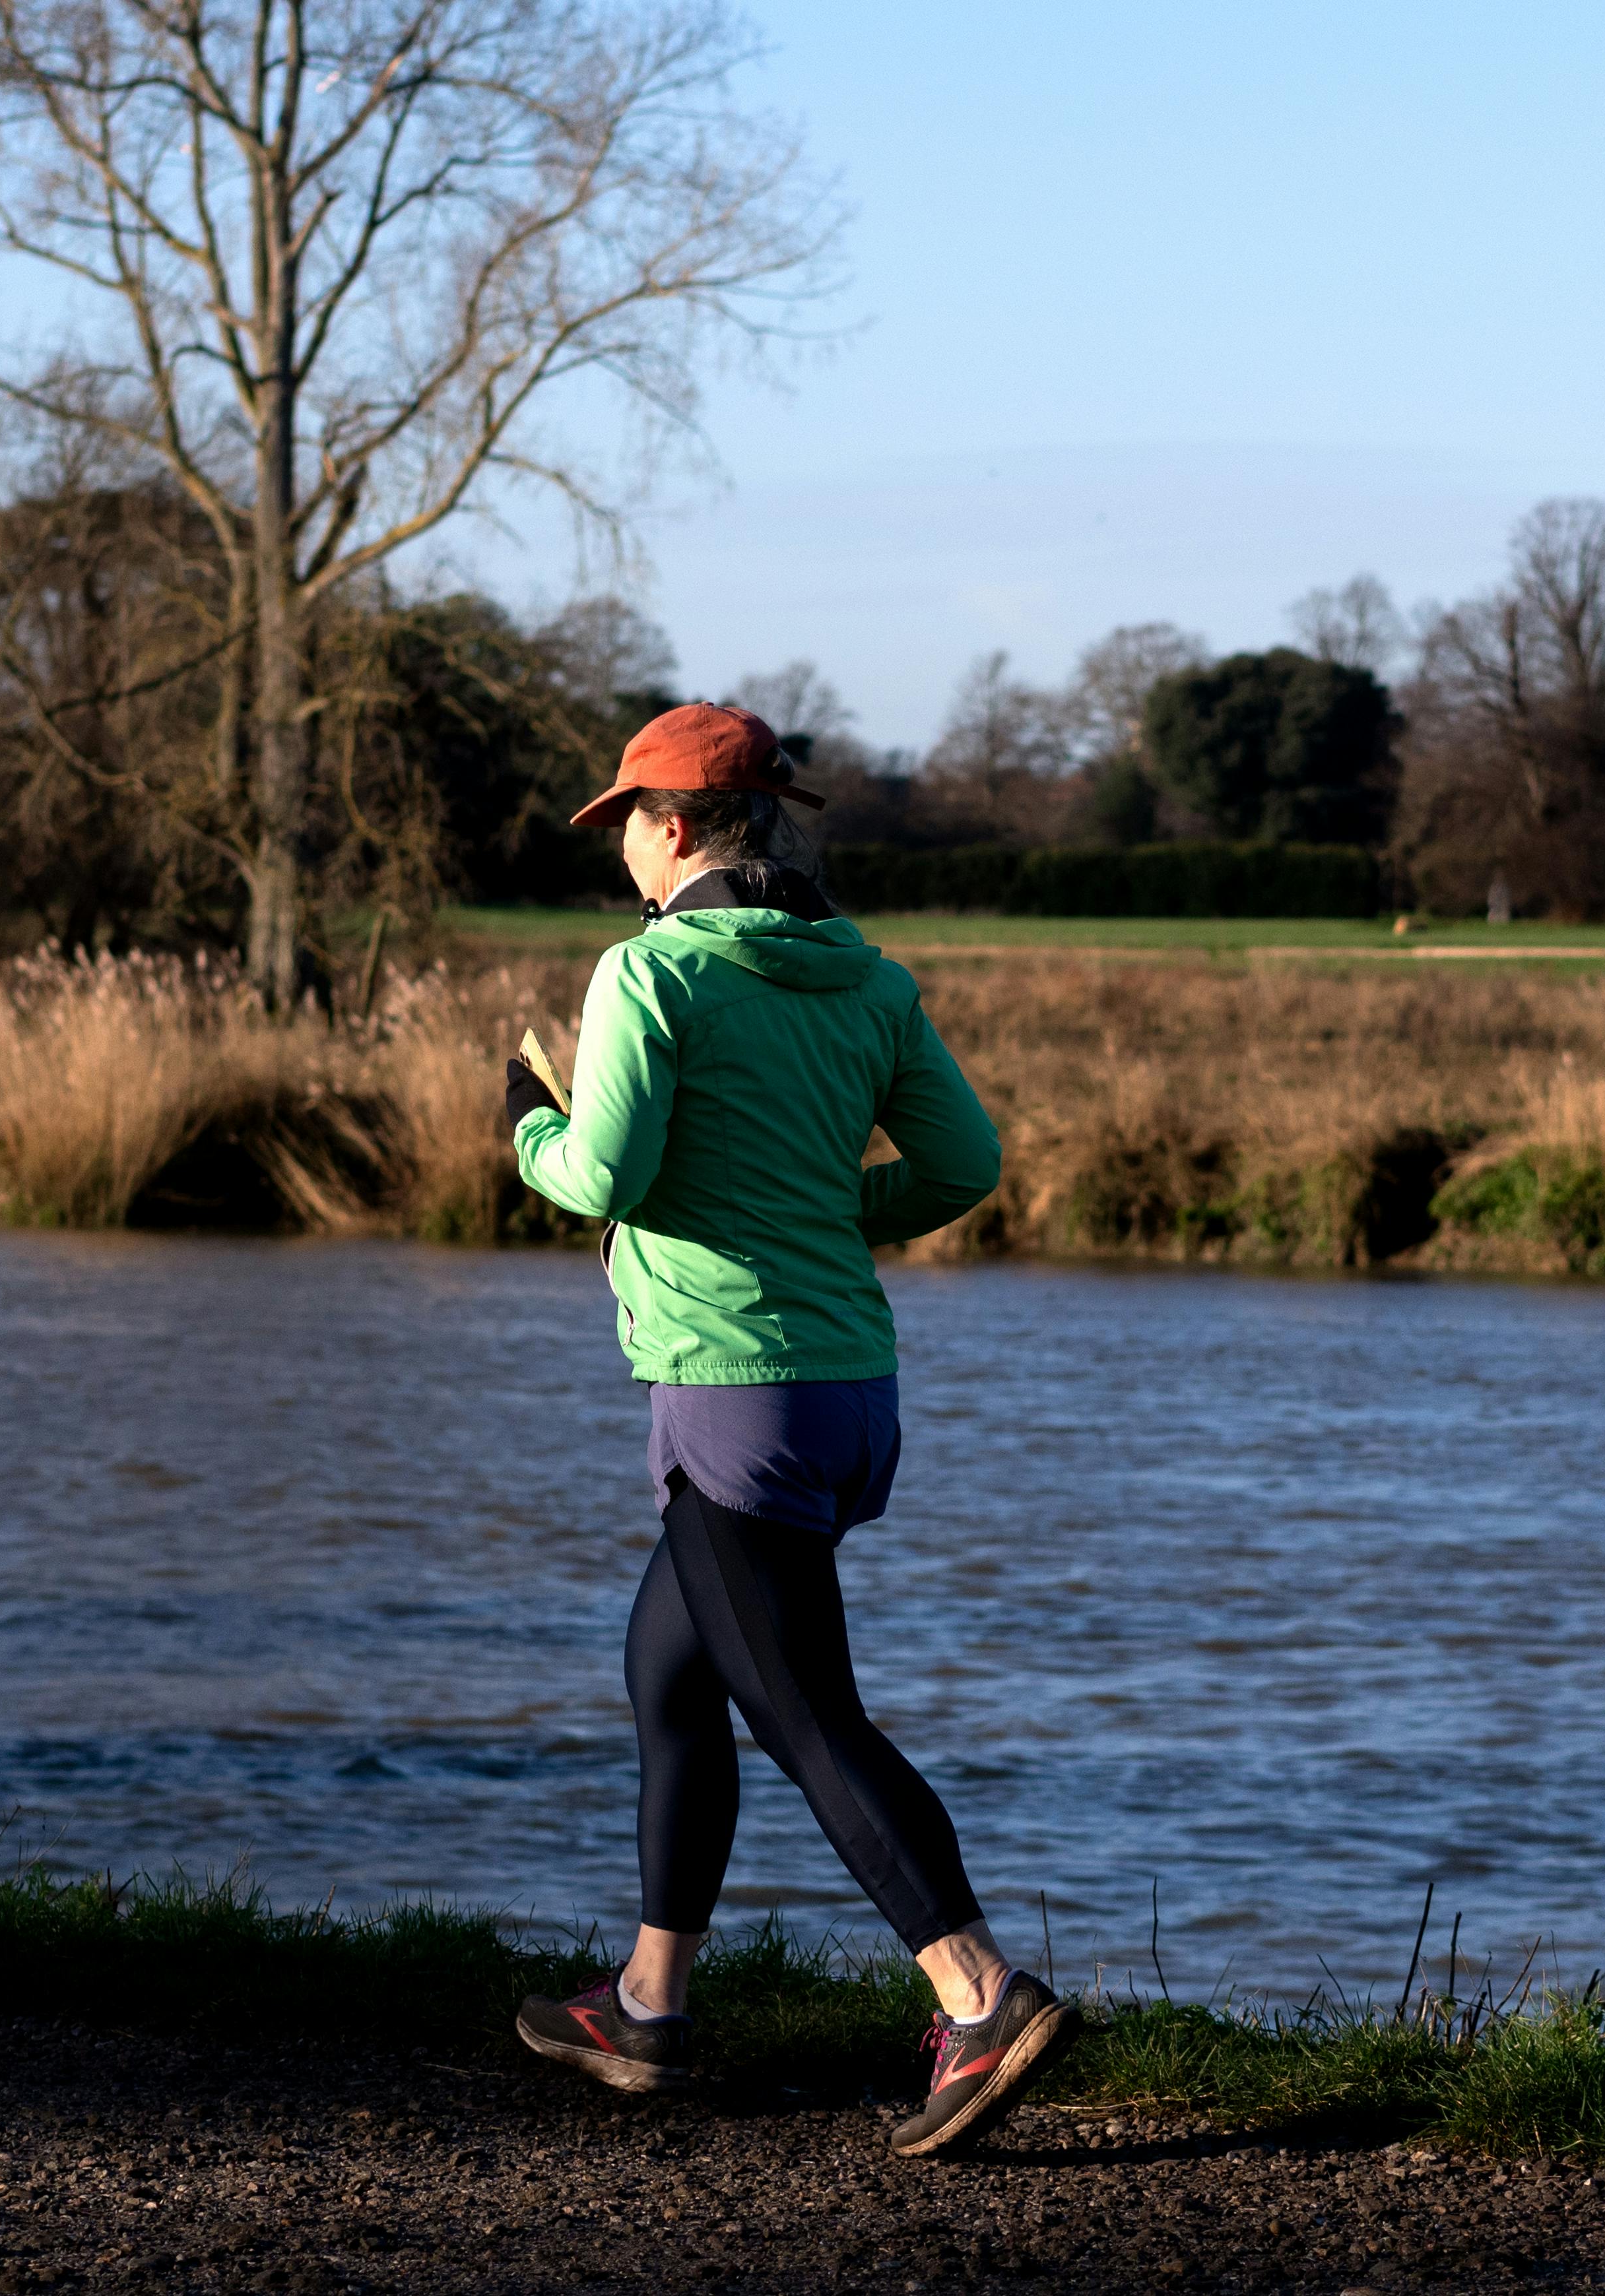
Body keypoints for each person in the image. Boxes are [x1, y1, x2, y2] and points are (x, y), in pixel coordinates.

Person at [501, 702, 1065, 2157]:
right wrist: (820, 1214)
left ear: (676, 827)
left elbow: (606, 1173)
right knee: (669, 1674)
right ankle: (646, 2005)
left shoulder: (650, 976)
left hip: (732, 1392)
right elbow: (963, 1162)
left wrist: (526, 1130)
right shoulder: (867, 979)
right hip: (848, 1396)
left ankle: (979, 1993)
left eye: (625, 818)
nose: (620, 846)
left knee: (806, 1711)